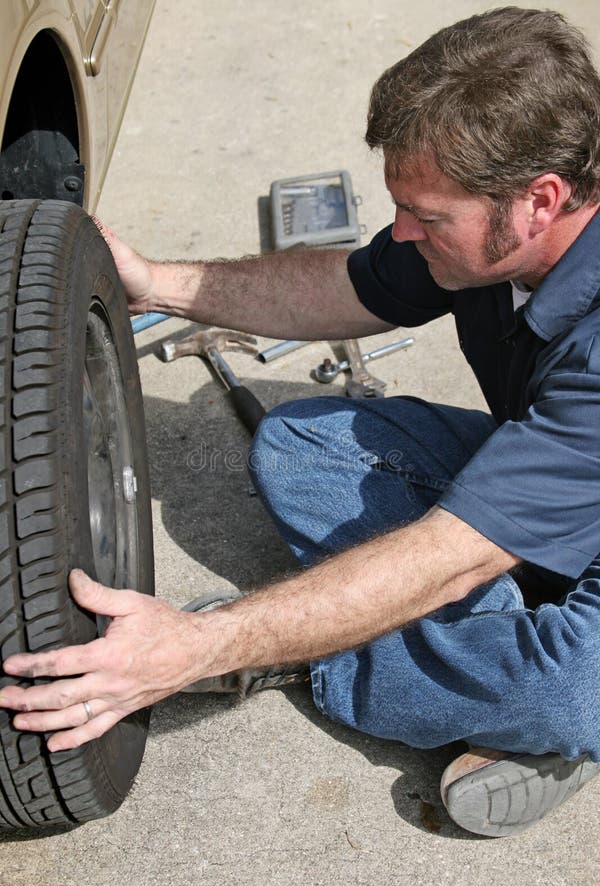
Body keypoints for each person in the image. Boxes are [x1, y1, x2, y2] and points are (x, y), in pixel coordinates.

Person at [1, 6, 600, 837]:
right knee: (300, 440)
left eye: (427, 217)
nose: (401, 231)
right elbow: (350, 288)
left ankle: (513, 703)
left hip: (570, 493)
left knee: (564, 688)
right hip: (555, 473)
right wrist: (160, 282)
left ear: (539, 201)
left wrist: (207, 645)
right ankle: (489, 679)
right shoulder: (496, 235)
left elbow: (452, 556)